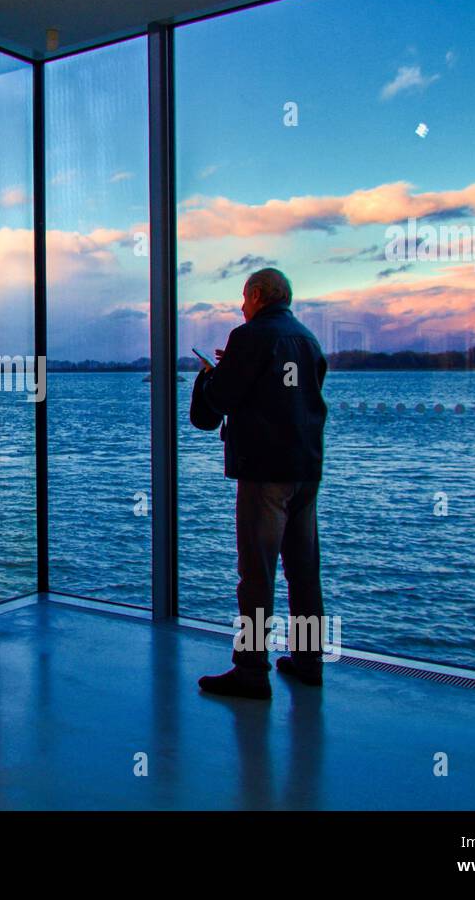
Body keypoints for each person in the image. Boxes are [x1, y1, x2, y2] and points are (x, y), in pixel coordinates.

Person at [192, 268, 328, 700]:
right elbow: (287, 395)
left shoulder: (249, 336)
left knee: (257, 575)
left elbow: (215, 405)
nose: (241, 307)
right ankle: (308, 659)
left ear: (255, 295)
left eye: (243, 298)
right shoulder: (308, 340)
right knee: (303, 572)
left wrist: (212, 375)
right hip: (306, 471)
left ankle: (251, 669)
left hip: (265, 472)